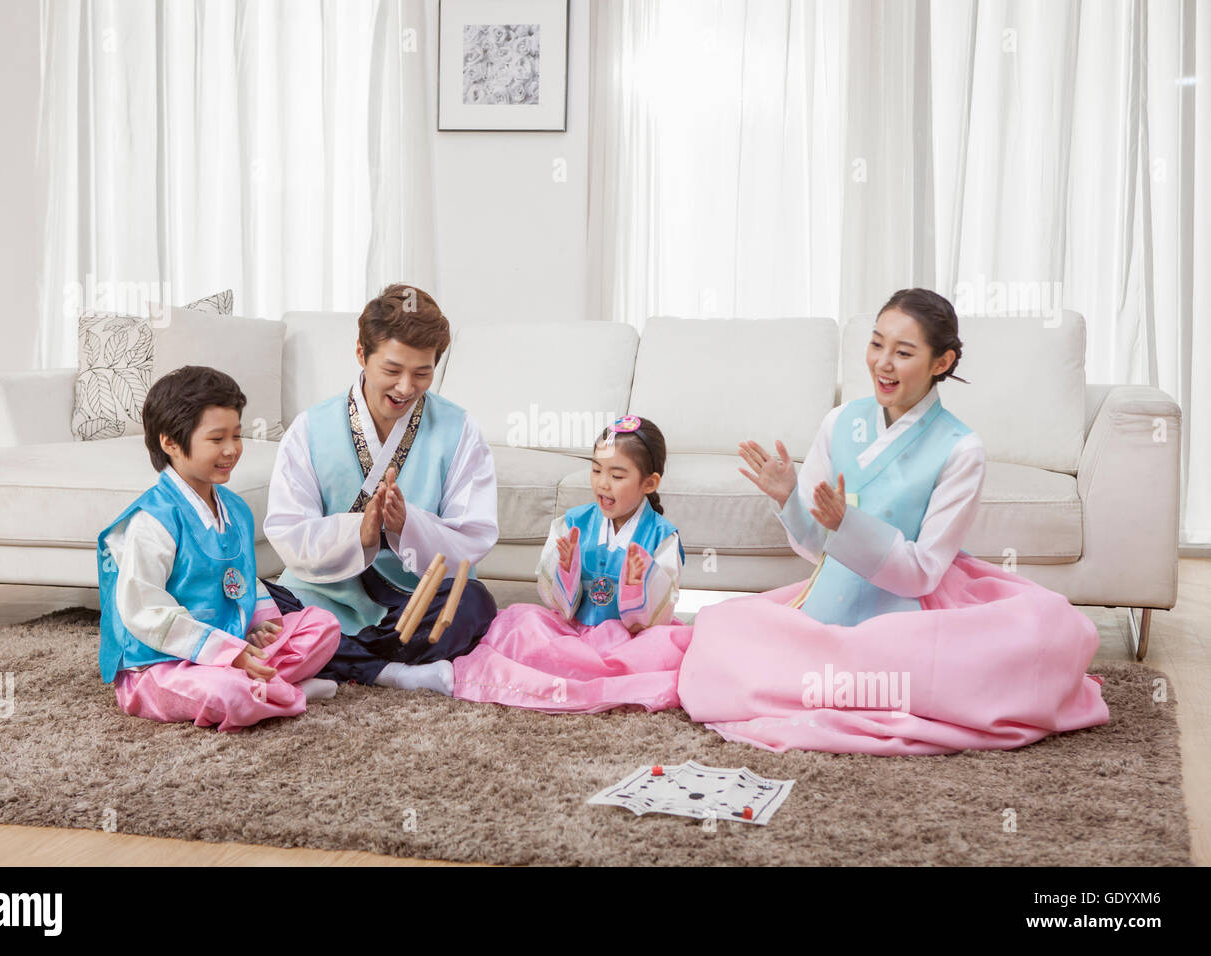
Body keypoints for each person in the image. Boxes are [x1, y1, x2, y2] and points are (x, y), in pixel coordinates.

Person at [677, 288, 1111, 755]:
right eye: (877, 343)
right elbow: (816, 550)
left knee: (892, 679)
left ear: (941, 363)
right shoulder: (840, 422)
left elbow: (923, 571)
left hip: (911, 609)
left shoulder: (961, 449)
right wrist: (789, 500)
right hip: (831, 597)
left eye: (903, 352)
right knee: (719, 634)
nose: (883, 362)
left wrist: (849, 526)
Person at [264, 283, 498, 696]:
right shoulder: (309, 429)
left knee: (473, 605)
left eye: (422, 373)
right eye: (393, 370)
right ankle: (389, 670)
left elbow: (473, 536)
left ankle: (327, 654)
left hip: (416, 599)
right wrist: (360, 533)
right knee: (249, 597)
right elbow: (287, 531)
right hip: (325, 594)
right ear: (361, 353)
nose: (406, 387)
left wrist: (408, 525)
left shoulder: (460, 430)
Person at [98, 366, 341, 732]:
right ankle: (283, 691)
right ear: (171, 443)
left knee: (323, 626)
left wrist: (260, 626)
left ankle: (264, 688)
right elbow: (144, 612)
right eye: (216, 439)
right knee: (227, 694)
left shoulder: (236, 508)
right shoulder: (152, 522)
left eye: (237, 436)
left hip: (230, 647)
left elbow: (244, 576)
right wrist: (229, 653)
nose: (231, 450)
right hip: (158, 666)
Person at [452, 416, 692, 712]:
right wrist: (566, 568)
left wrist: (638, 584)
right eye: (596, 470)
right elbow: (557, 603)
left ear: (649, 482)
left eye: (617, 476)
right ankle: (586, 676)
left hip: (630, 639)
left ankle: (583, 677)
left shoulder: (660, 536)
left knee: (664, 651)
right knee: (520, 626)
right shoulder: (574, 522)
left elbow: (658, 618)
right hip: (574, 630)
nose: (602, 483)